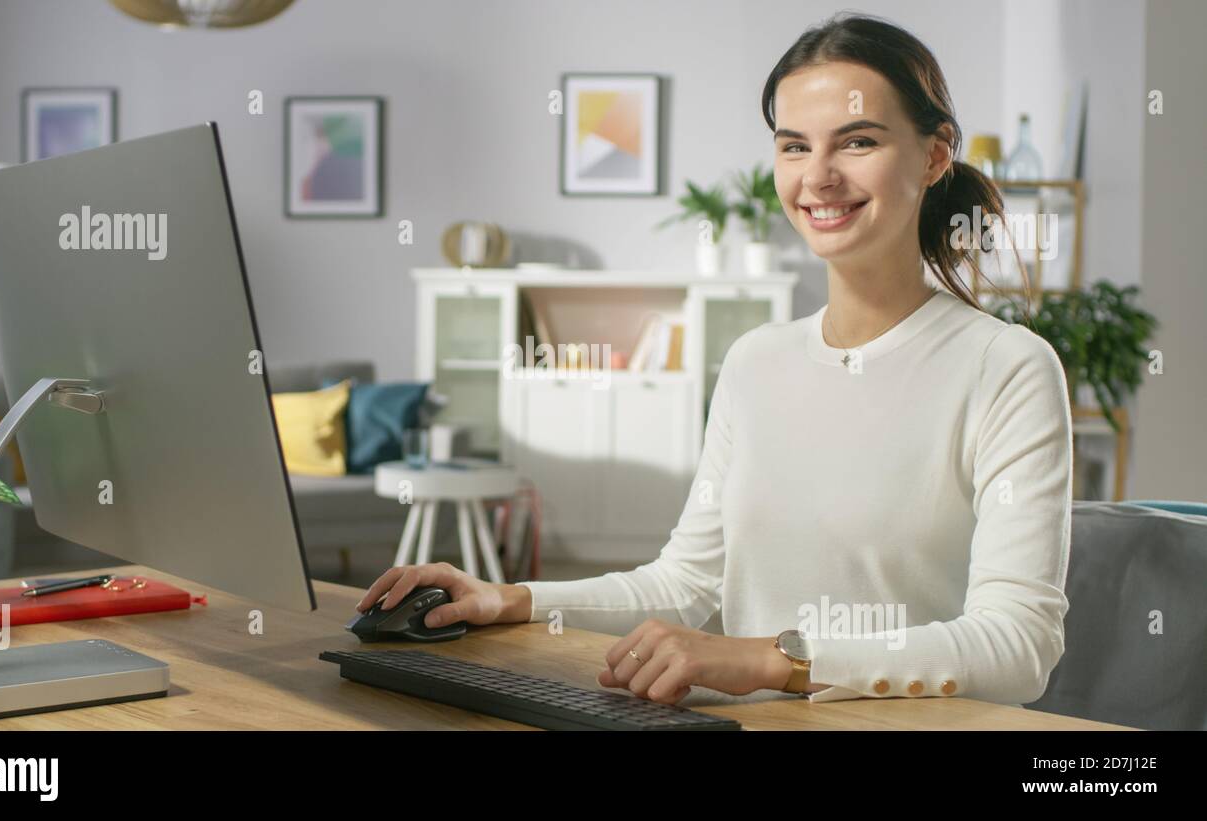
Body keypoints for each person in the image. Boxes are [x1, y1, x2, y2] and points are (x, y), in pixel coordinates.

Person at [356, 13, 1072, 707]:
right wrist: (509, 598)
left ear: (935, 154)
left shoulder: (1007, 368)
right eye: (793, 146)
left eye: (856, 142)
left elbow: (1018, 646)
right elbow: (684, 582)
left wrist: (774, 658)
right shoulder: (755, 361)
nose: (817, 177)